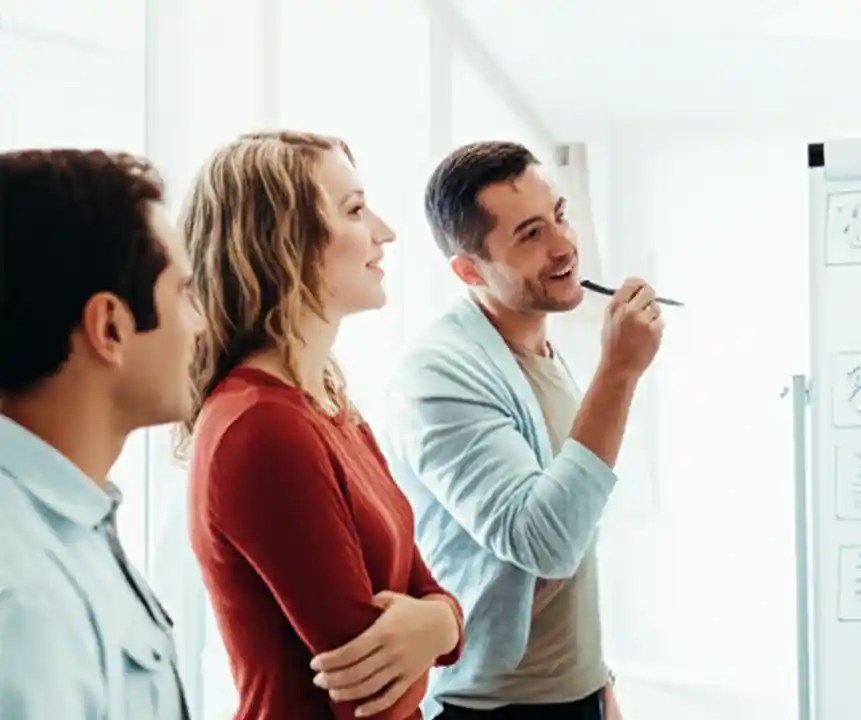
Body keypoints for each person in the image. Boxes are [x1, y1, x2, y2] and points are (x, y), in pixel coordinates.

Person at [181, 130, 464, 720]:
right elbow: (371, 694)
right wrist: (436, 629)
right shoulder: (262, 429)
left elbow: (430, 593)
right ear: (283, 241)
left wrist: (440, 625)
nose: (384, 233)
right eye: (355, 210)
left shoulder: (330, 406)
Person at [380, 141, 663, 720]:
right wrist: (619, 371)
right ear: (468, 269)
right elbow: (545, 542)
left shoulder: (545, 351)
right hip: (493, 708)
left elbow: (577, 524)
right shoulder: (438, 372)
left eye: (559, 215)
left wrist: (595, 678)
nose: (564, 245)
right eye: (530, 235)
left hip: (574, 694)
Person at [0, 149, 199, 718]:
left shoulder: (70, 526)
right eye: (185, 294)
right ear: (110, 326)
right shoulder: (26, 594)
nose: (201, 323)